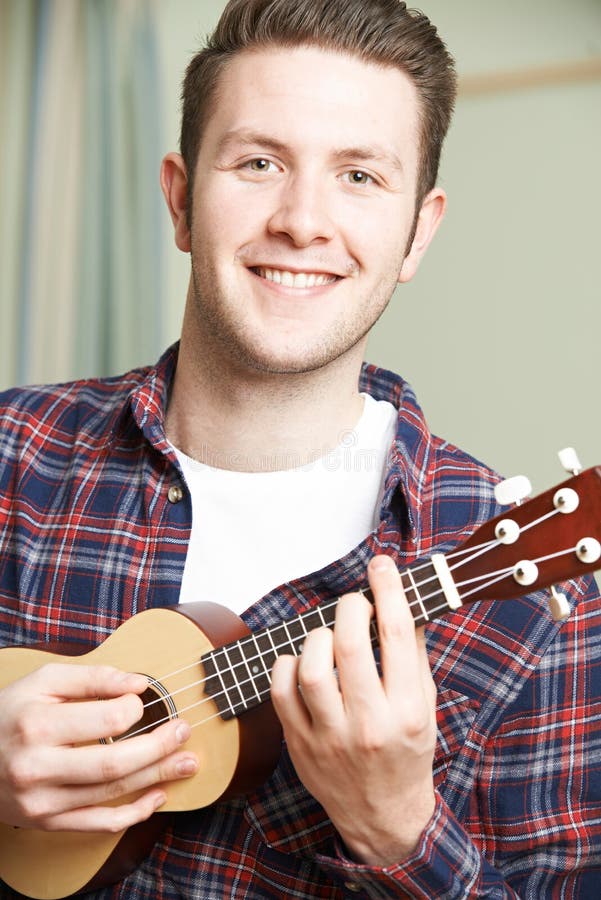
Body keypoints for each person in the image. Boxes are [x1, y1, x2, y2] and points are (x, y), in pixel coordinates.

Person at [0, 0, 600, 897]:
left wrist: (397, 828)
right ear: (179, 198)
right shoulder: (14, 455)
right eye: (257, 162)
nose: (302, 221)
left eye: (359, 176)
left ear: (418, 232)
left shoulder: (545, 597)